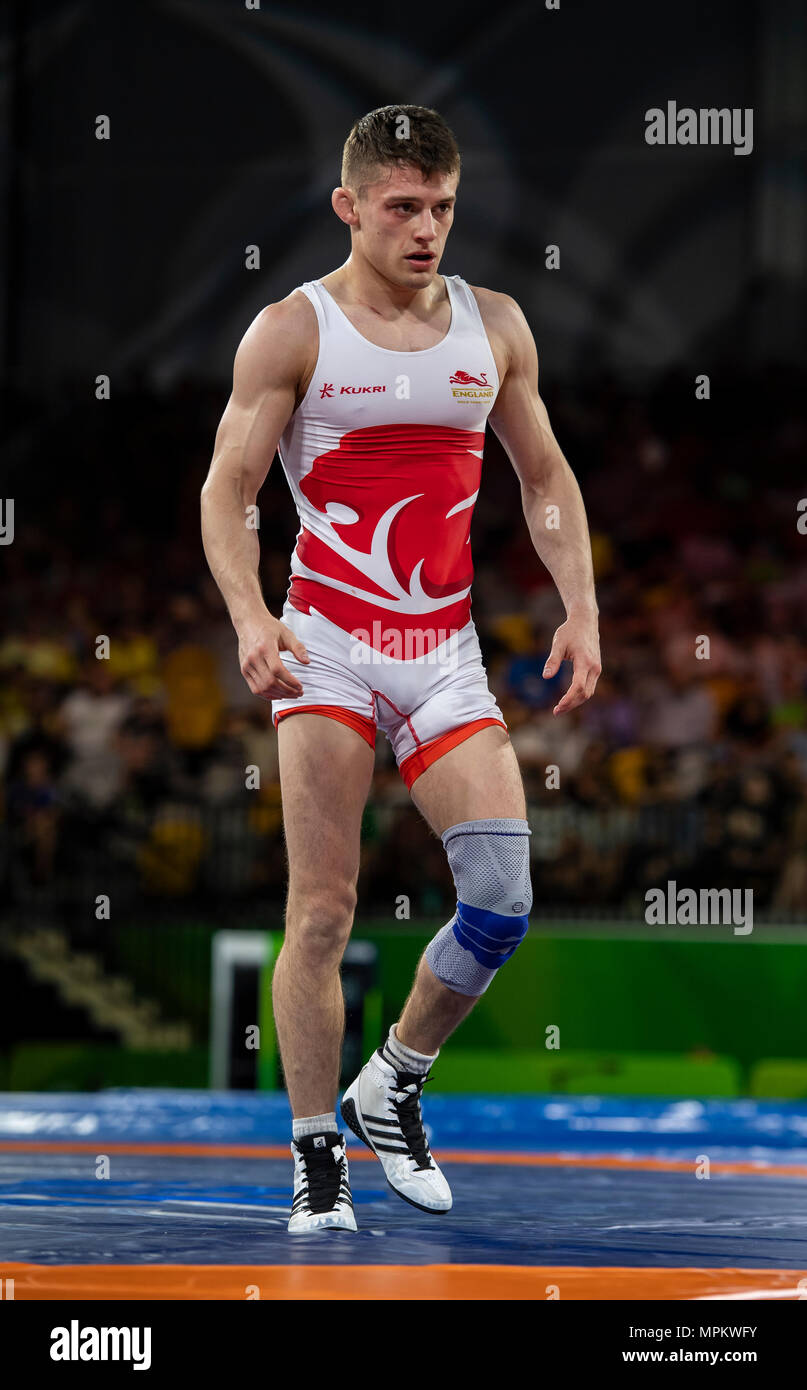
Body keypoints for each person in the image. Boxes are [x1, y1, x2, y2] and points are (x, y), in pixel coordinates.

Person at [201, 105, 601, 1232]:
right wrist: (247, 614)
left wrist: (583, 609)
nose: (427, 230)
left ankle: (396, 1080)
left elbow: (547, 478)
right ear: (350, 208)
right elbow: (226, 492)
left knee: (503, 899)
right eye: (402, 209)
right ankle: (314, 1147)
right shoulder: (294, 330)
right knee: (322, 912)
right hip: (325, 645)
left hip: (442, 650)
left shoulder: (497, 325)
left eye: (442, 208)